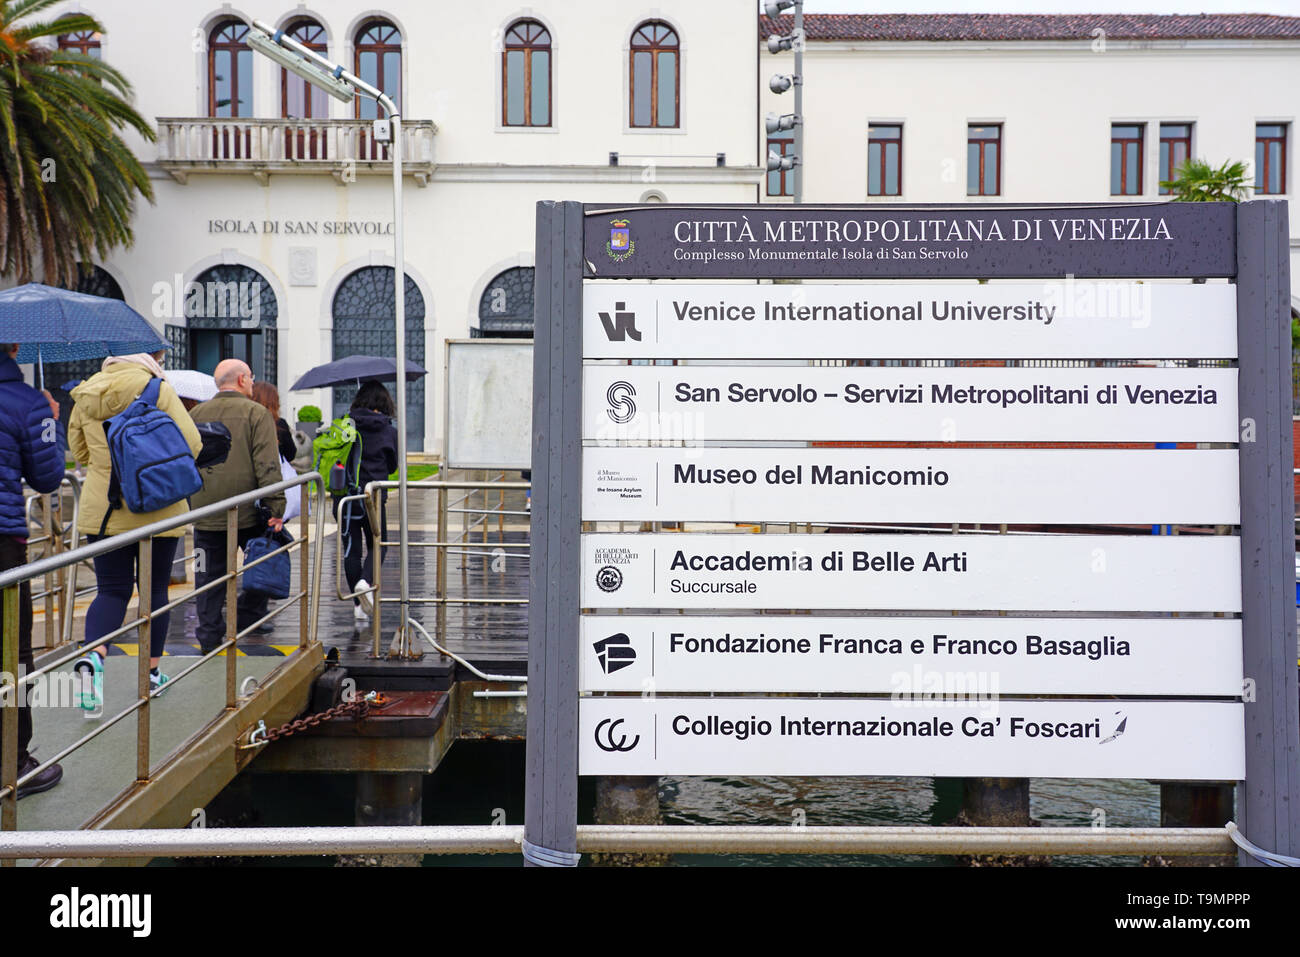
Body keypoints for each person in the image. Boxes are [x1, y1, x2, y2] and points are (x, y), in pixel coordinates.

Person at [68, 352, 202, 714]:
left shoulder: (85, 394)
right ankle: (152, 676)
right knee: (154, 590)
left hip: (104, 511)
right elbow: (191, 443)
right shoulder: (157, 389)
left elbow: (79, 451)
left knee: (112, 590)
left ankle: (94, 656)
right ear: (146, 361)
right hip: (158, 507)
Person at [0, 343, 66, 795]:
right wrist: (52, 423)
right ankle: (14, 762)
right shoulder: (26, 403)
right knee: (10, 651)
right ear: (15, 346)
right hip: (2, 542)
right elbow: (46, 478)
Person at [188, 360, 285, 654]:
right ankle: (245, 617)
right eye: (252, 379)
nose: (254, 384)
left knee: (206, 576)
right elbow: (267, 464)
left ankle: (208, 636)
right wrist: (276, 507)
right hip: (248, 510)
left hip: (205, 513)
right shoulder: (257, 413)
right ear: (242, 380)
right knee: (265, 563)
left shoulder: (195, 414)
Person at [339, 381, 398, 625]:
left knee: (351, 549)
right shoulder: (388, 430)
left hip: (346, 496)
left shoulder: (345, 424)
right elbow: (393, 465)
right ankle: (365, 582)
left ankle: (357, 605)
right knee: (378, 544)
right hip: (373, 496)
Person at [244, 381, 297, 634]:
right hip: (271, 502)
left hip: (245, 498)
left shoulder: (245, 420)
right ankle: (253, 610)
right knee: (266, 551)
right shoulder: (279, 426)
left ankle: (245, 610)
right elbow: (292, 453)